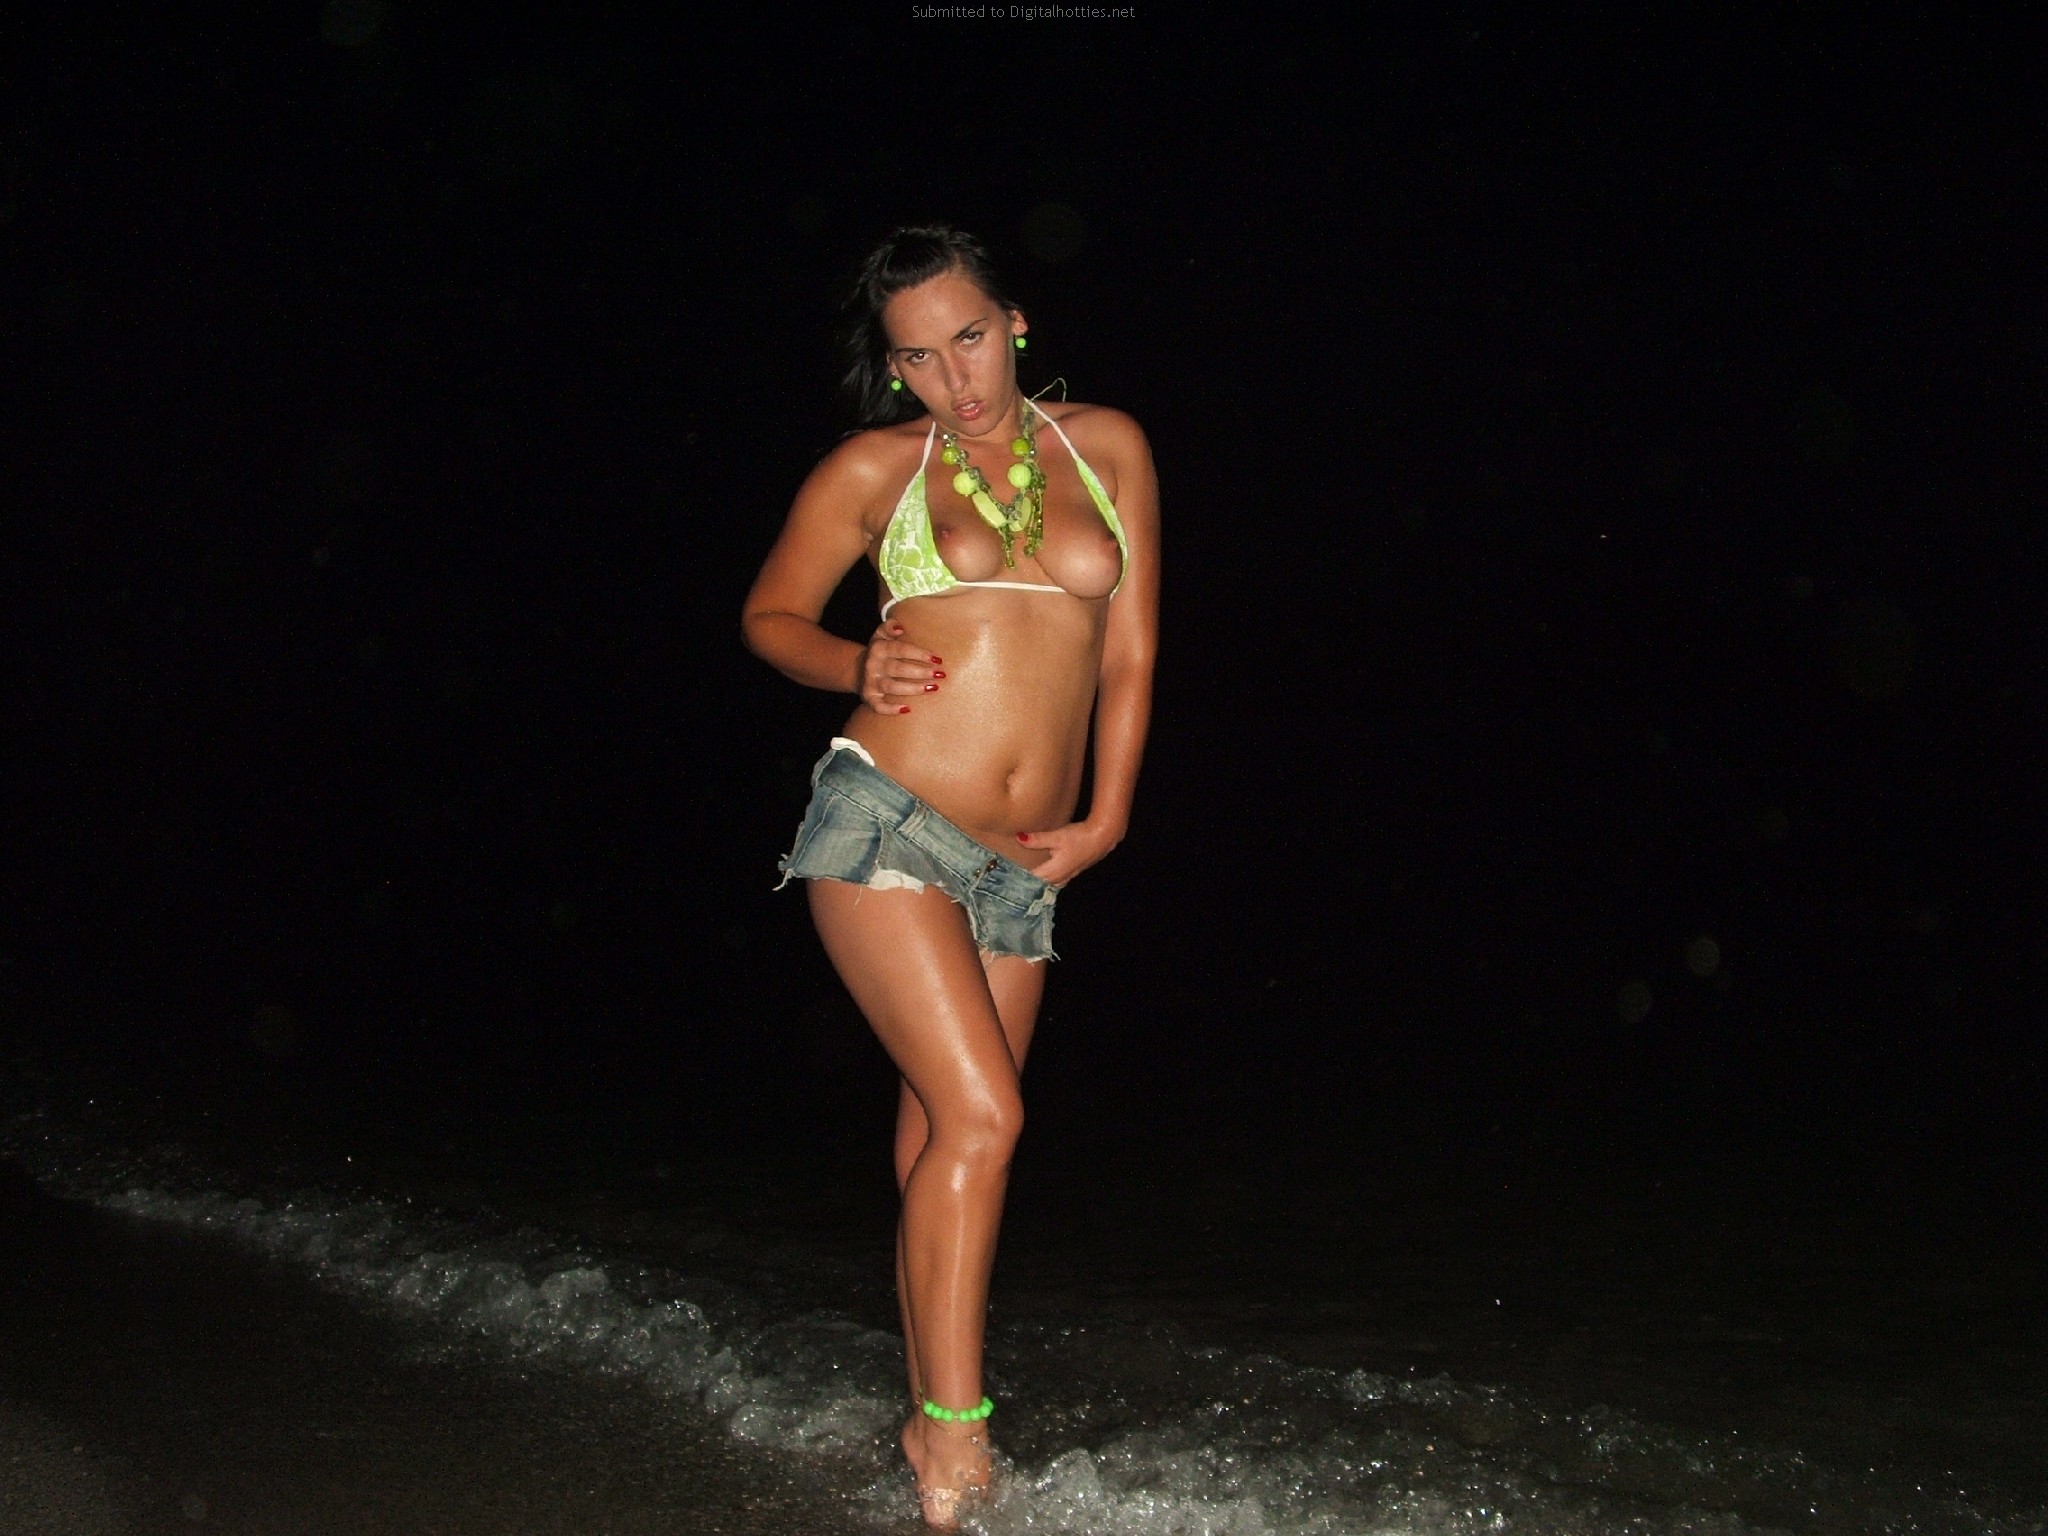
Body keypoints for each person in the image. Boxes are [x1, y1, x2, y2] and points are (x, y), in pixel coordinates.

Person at [740, 226, 1159, 1527]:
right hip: (888, 824)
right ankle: (956, 1444)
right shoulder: (876, 468)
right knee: (985, 1120)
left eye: (969, 339)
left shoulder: (1110, 446)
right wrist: (852, 663)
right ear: (894, 367)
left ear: (1014, 322)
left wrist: (1107, 819)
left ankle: (929, 1415)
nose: (953, 380)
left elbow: (1130, 652)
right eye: (917, 357)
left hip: (1019, 868)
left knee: (945, 1135)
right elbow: (769, 617)